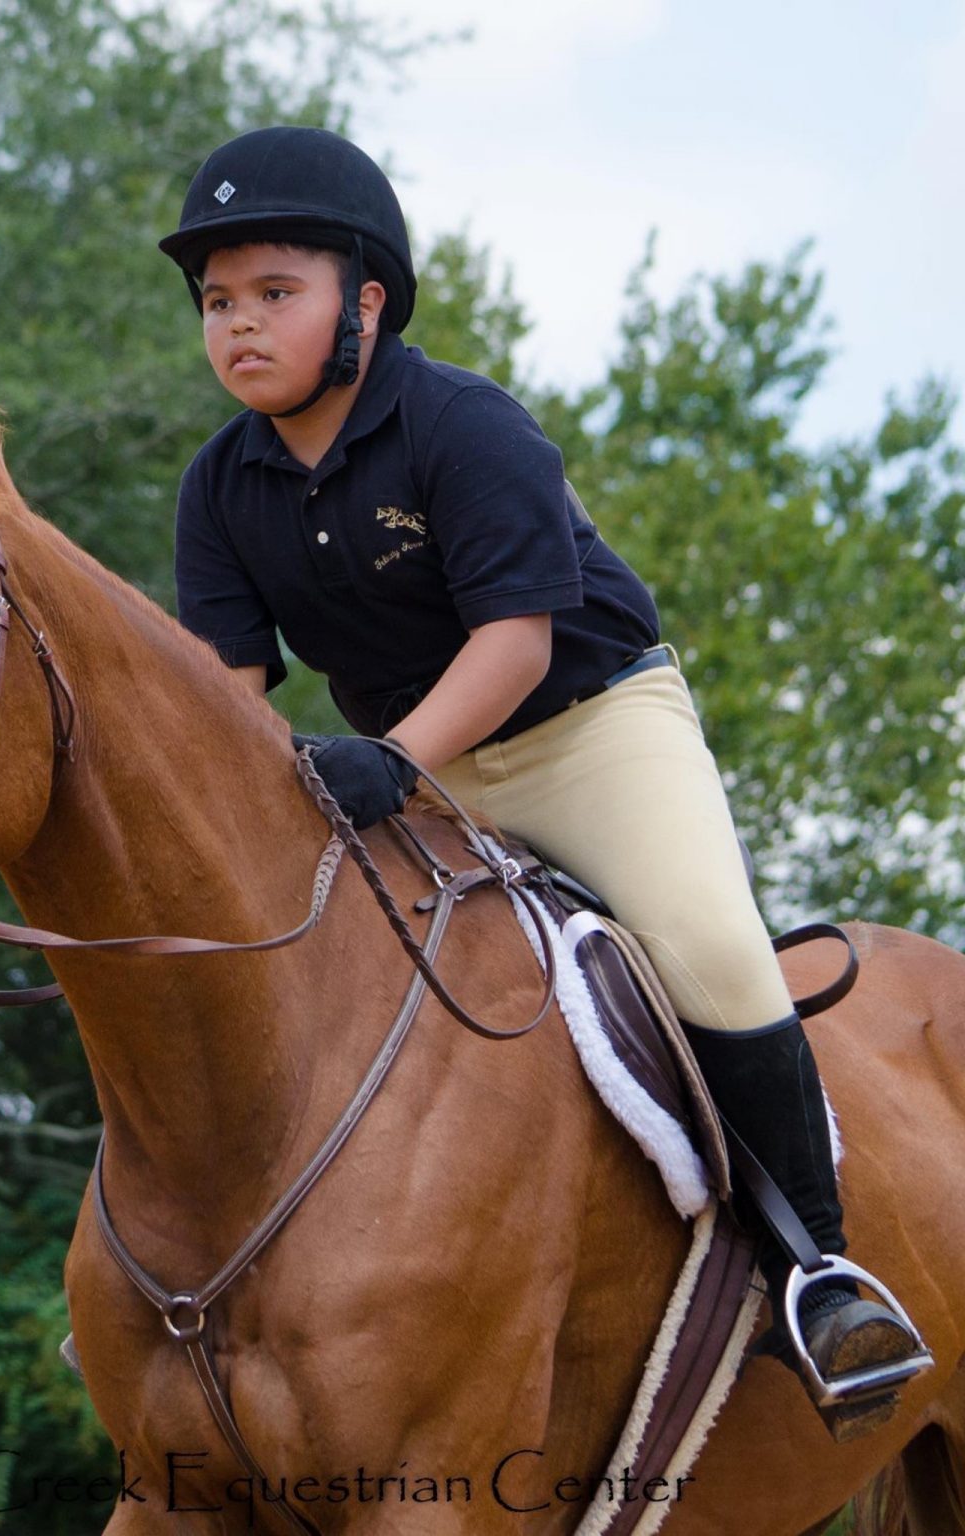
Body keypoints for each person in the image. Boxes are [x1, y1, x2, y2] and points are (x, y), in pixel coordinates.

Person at [160, 124, 929, 1440]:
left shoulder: (463, 423)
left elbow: (516, 640)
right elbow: (230, 697)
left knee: (709, 948)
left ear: (366, 303)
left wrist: (392, 760)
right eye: (218, 300)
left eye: (274, 292)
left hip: (588, 732)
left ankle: (822, 1270)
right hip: (411, 777)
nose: (238, 324)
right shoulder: (219, 487)